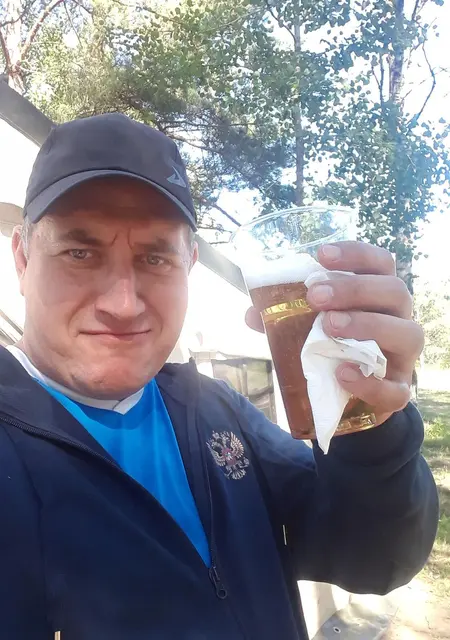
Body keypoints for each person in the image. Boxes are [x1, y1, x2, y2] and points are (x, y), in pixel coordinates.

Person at [0, 113, 437, 640]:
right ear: (22, 258)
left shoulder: (213, 408)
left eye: (155, 258)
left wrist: (374, 427)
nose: (123, 303)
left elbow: (371, 557)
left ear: (188, 265)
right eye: (80, 252)